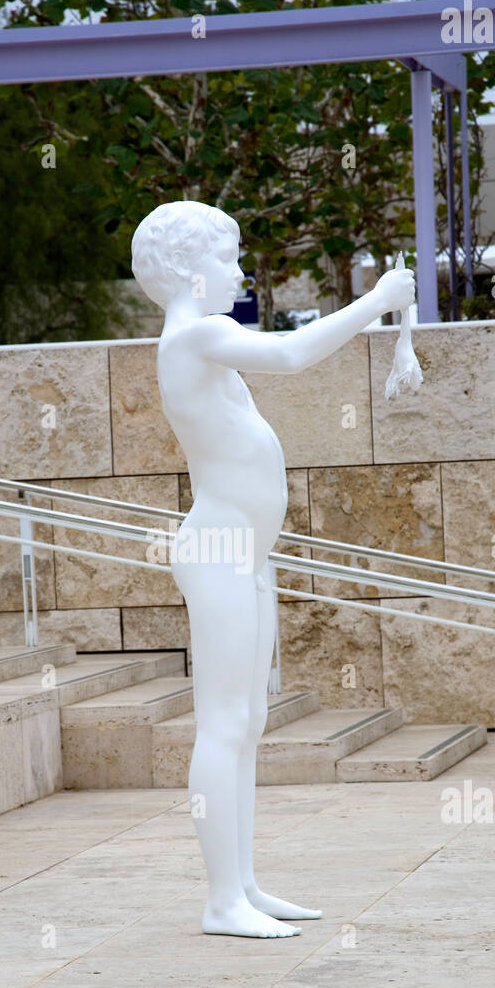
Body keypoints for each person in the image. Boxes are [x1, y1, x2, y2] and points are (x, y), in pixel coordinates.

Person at [132, 201, 415, 937]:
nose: (239, 271)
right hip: (221, 549)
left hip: (246, 553)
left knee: (248, 719)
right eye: (228, 258)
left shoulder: (204, 340)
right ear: (191, 267)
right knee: (222, 723)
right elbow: (291, 355)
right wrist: (376, 303)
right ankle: (221, 900)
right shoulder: (198, 333)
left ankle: (243, 884)